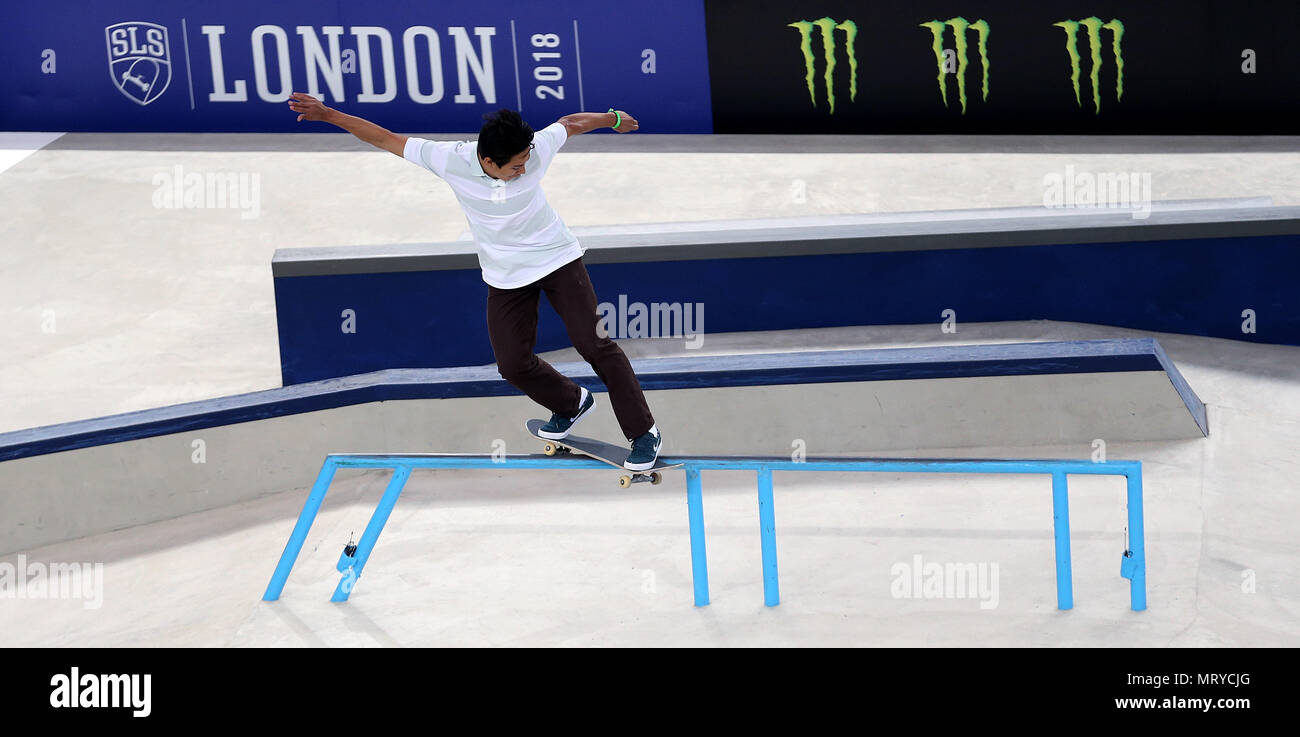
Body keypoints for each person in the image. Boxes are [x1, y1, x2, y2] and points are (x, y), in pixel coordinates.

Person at [286, 93, 663, 470]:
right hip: (505, 276)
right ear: (487, 161)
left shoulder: (535, 150)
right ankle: (571, 402)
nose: (523, 170)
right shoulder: (450, 160)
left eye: (526, 161)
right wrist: (327, 114)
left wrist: (611, 117)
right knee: (512, 365)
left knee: (595, 345)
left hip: (557, 259)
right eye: (515, 167)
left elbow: (568, 123)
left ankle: (643, 433)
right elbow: (385, 138)